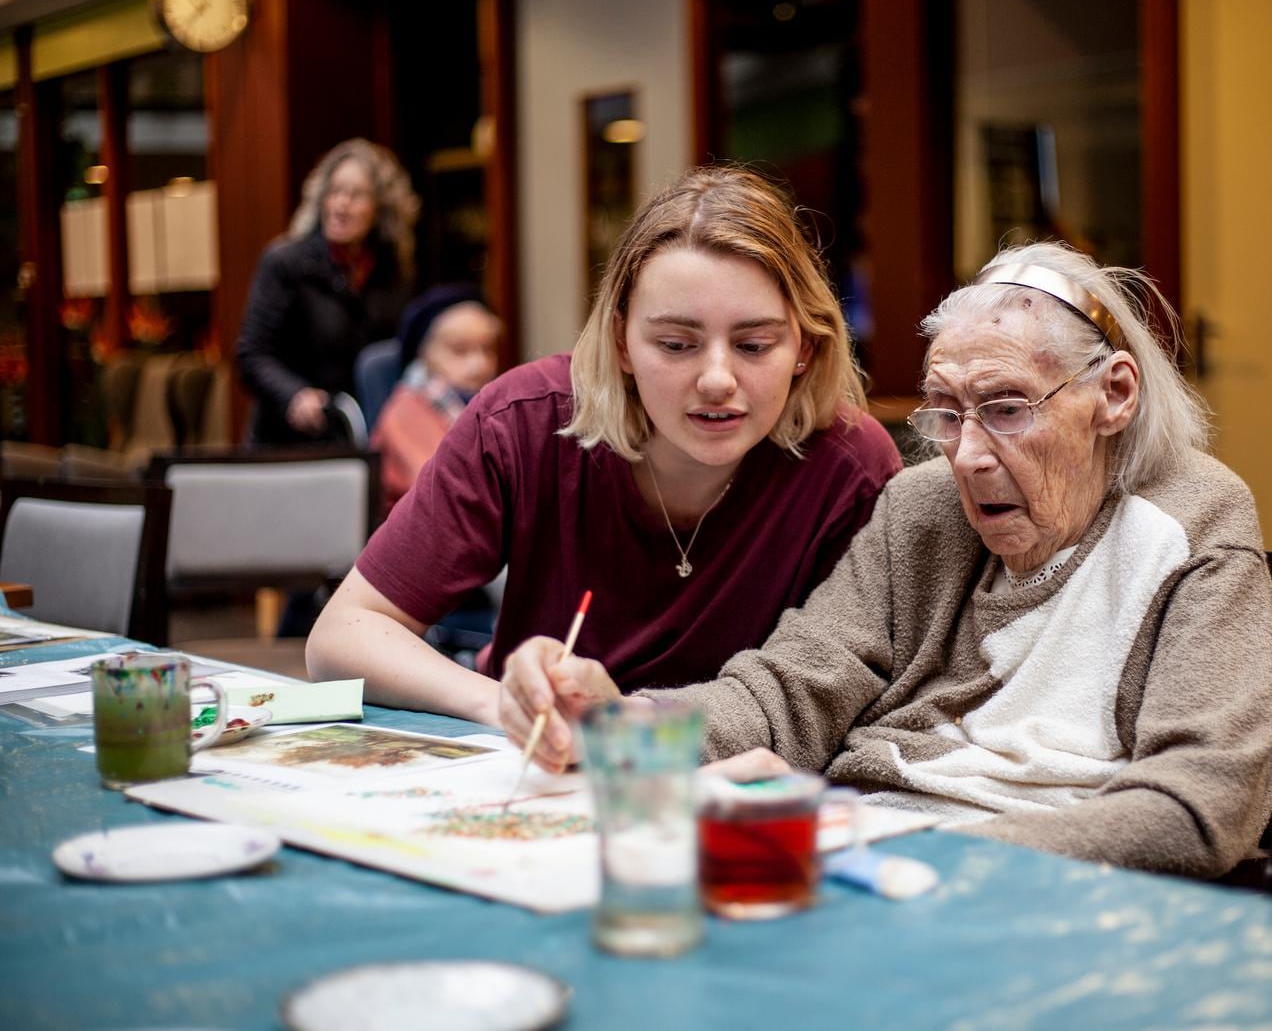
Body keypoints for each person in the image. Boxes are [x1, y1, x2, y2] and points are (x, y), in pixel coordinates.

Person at [501, 242, 1272, 879]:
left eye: (1007, 408)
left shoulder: (1192, 520)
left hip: (1040, 890)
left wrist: (936, 853)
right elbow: (788, 691)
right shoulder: (922, 506)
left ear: (1113, 394)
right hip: (856, 863)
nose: (967, 455)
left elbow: (1199, 798)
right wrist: (626, 728)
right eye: (946, 411)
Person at [306, 165, 903, 727]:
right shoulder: (526, 422)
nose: (717, 378)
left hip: (734, 783)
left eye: (754, 346)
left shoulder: (852, 467)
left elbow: (869, 684)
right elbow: (342, 636)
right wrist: (504, 706)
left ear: (803, 346)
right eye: (675, 344)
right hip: (532, 771)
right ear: (621, 342)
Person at [236, 138, 418, 445]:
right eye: (334, 192)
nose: (341, 205)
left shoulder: (394, 271)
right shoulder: (285, 262)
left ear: (381, 208)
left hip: (360, 437)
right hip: (287, 440)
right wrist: (294, 394)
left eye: (356, 195)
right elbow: (251, 355)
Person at [372, 285, 503, 513]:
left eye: (487, 349)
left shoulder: (487, 404)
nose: (479, 364)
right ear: (423, 353)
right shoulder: (406, 411)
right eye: (459, 350)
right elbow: (444, 498)